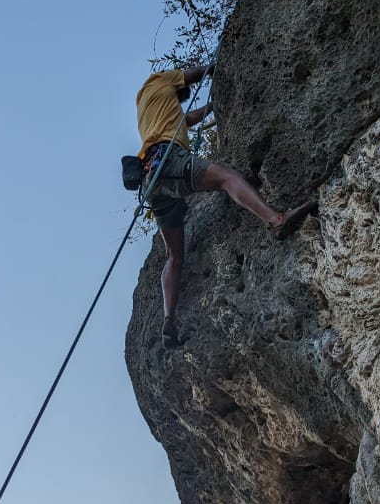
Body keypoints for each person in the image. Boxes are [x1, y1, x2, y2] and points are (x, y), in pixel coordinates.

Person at [136, 63, 318, 347]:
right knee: (227, 177)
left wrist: (211, 107)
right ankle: (275, 220)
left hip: (152, 179)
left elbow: (187, 120)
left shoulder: (150, 105)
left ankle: (168, 320)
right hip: (169, 161)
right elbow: (192, 74)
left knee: (174, 256)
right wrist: (210, 69)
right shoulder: (161, 79)